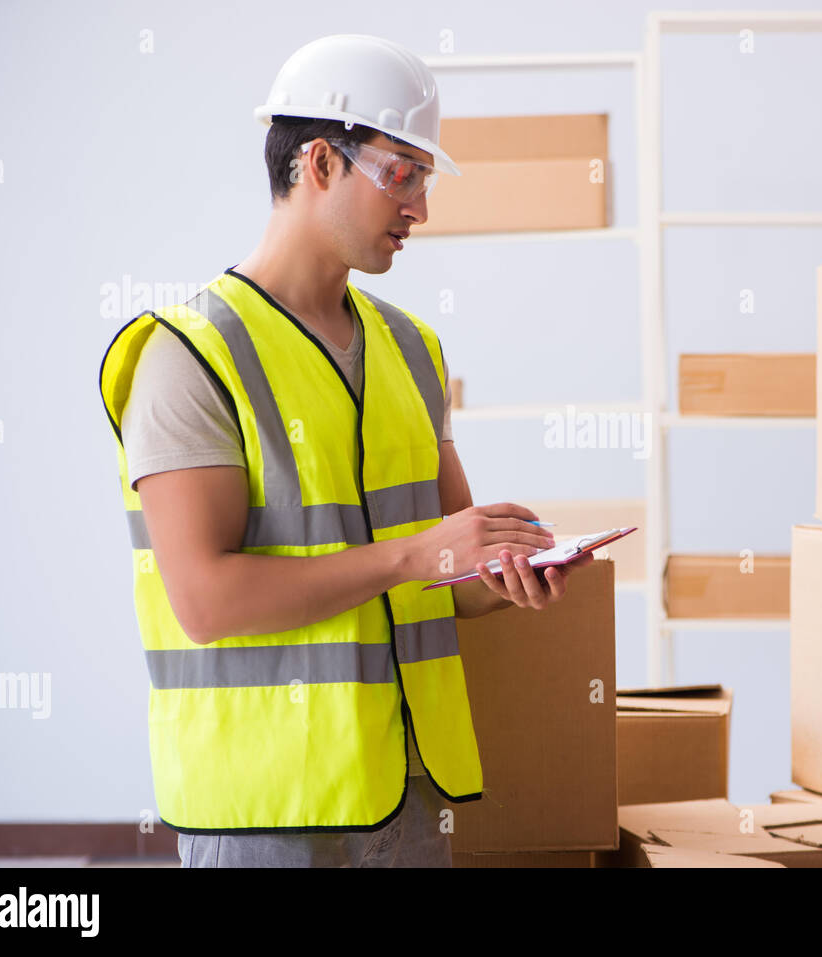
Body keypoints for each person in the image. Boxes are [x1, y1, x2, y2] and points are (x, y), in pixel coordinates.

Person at [97, 34, 591, 868]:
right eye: (401, 172)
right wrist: (419, 554)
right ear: (319, 163)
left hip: (406, 798)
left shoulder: (411, 349)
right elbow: (206, 602)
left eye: (425, 179)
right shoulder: (188, 356)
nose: (420, 207)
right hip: (268, 814)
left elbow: (443, 573)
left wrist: (503, 576)